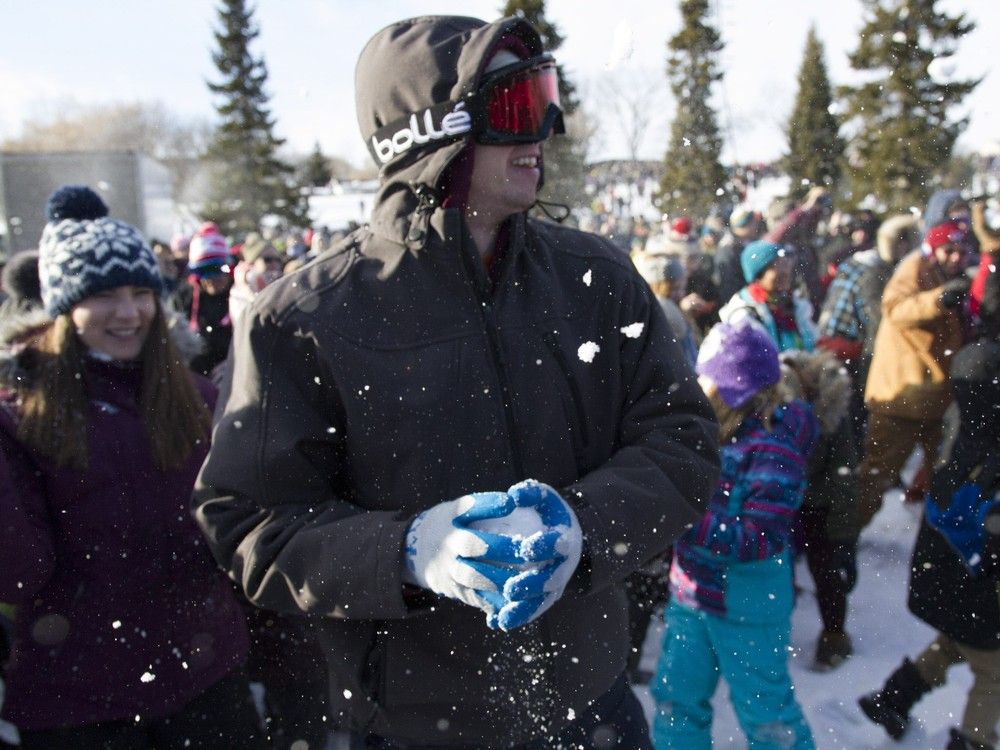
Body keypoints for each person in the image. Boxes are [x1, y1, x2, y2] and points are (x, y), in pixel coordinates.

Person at [193, 15, 719, 749]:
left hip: (588, 698)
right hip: (415, 720)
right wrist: (406, 551)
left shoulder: (596, 279)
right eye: (515, 106)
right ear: (429, 135)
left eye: (547, 97)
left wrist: (583, 525)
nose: (544, 130)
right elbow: (249, 521)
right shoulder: (305, 319)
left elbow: (684, 439)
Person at [0, 186, 260, 749]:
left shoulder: (196, 398)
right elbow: (19, 573)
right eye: (105, 295)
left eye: (141, 291)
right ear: (65, 307)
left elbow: (240, 532)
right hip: (79, 700)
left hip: (204, 678)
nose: (129, 312)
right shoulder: (21, 415)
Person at [652, 322, 818, 750]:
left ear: (733, 394)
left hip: (747, 607)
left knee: (767, 716)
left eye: (705, 381)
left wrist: (682, 517)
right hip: (690, 598)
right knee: (676, 703)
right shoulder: (707, 434)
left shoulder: (772, 452)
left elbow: (757, 538)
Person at [859, 262, 1000, 749]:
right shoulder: (986, 389)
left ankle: (893, 698)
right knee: (992, 666)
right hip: (980, 555)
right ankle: (973, 742)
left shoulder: (971, 387)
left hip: (957, 554)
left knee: (967, 640)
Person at [857, 220, 972, 527]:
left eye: (961, 251)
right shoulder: (915, 268)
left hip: (938, 399)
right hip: (903, 395)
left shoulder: (957, 275)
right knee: (876, 477)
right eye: (949, 250)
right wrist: (938, 299)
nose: (955, 257)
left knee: (945, 475)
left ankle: (938, 543)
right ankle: (839, 541)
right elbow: (895, 308)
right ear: (934, 249)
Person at [780, 349, 860, 670]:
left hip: (817, 502)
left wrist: (843, 531)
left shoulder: (830, 406)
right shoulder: (772, 400)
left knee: (826, 570)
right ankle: (771, 632)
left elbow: (843, 470)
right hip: (782, 498)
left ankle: (834, 635)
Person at [718, 239, 818, 353]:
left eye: (784, 264)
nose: (785, 272)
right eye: (775, 268)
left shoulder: (792, 304)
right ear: (758, 276)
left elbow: (811, 341)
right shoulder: (745, 314)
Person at [177, 222, 235, 377]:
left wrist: (235, 364)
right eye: (204, 271)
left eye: (218, 269)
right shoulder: (184, 298)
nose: (213, 278)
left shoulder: (240, 297)